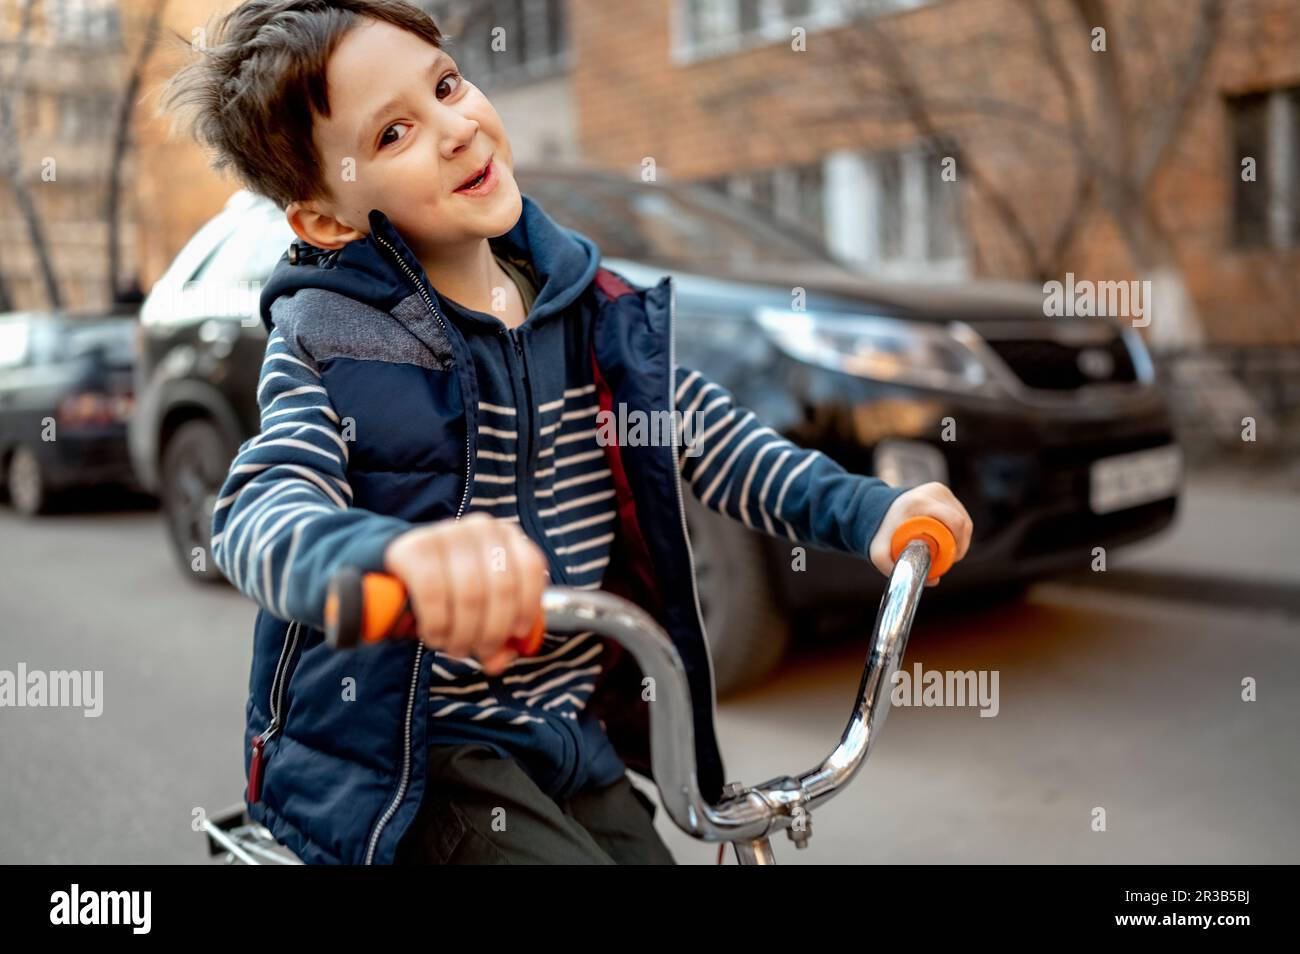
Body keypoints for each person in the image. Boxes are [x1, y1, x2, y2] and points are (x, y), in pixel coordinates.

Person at [162, 0, 973, 865]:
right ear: (325, 219)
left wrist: (868, 513)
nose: (454, 128)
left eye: (446, 85)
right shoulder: (329, 340)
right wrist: (389, 564)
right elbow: (258, 510)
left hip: (567, 725)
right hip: (420, 752)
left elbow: (713, 437)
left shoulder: (585, 308)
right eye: (395, 133)